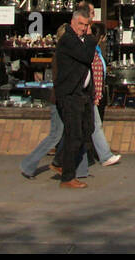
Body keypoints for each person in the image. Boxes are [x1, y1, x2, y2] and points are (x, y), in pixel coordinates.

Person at [20, 24, 90, 180]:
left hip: (66, 98)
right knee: (58, 134)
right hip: (61, 99)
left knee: (72, 132)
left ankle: (70, 165)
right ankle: (30, 164)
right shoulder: (61, 55)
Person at [52, 5, 98, 189]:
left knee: (88, 129)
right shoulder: (68, 40)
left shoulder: (81, 39)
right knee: (75, 135)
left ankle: (59, 161)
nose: (83, 28)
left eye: (86, 25)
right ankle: (67, 176)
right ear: (72, 22)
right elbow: (87, 56)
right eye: (80, 24)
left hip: (82, 93)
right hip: (70, 95)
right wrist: (90, 36)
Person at [89, 23, 121, 167]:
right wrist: (97, 96)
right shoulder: (93, 52)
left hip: (94, 94)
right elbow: (95, 75)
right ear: (101, 37)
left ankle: (96, 154)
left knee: (93, 125)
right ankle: (104, 155)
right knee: (95, 125)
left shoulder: (96, 51)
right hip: (92, 95)